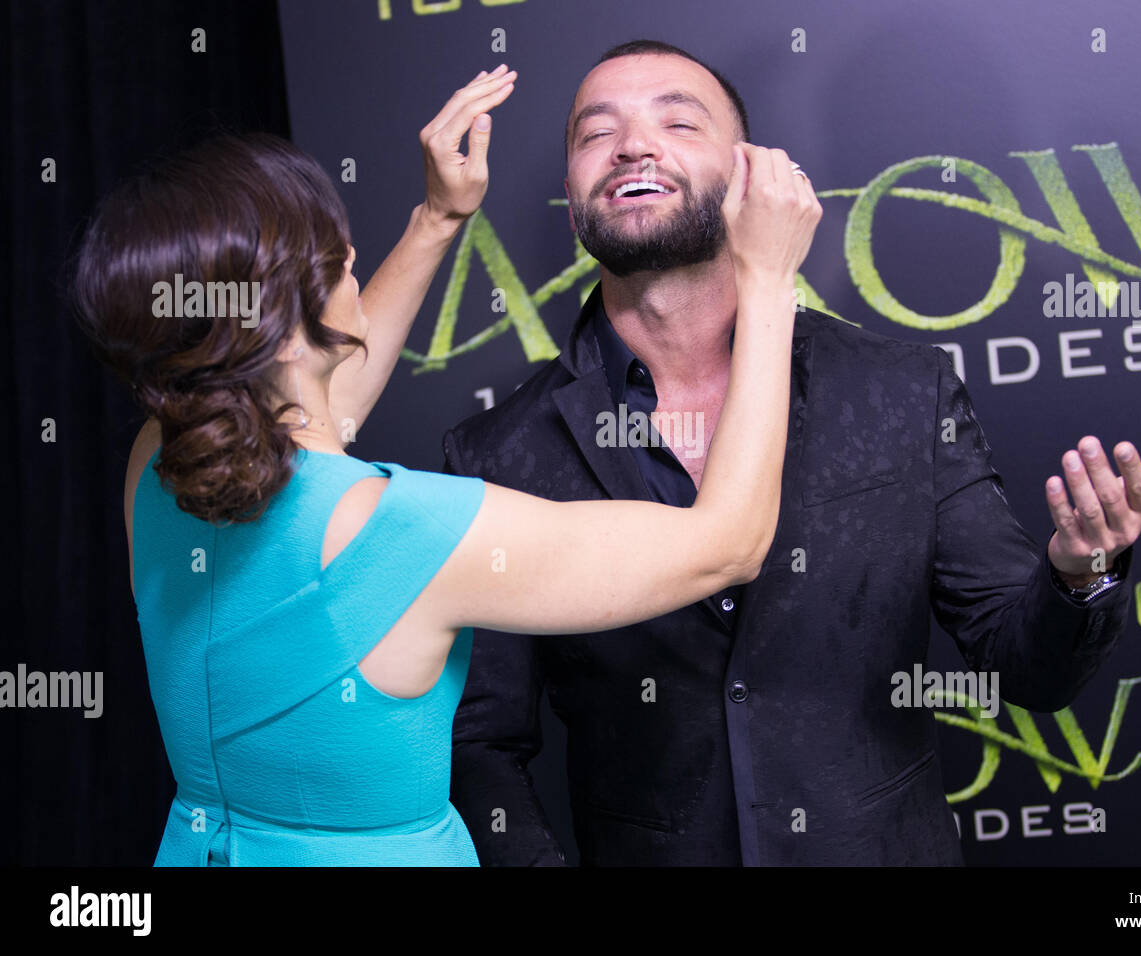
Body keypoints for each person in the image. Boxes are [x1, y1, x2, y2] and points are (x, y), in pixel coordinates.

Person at [443, 40, 1141, 865]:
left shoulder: (903, 394)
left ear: (752, 178)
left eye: (678, 122)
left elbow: (1026, 670)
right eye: (597, 133)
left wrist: (1079, 574)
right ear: (572, 203)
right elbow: (479, 745)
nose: (634, 145)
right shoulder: (498, 454)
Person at [72, 64, 822, 865]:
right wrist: (768, 278)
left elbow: (318, 406)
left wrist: (438, 218)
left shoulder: (162, 461)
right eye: (326, 254)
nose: (349, 251)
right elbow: (729, 543)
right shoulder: (411, 533)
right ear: (283, 335)